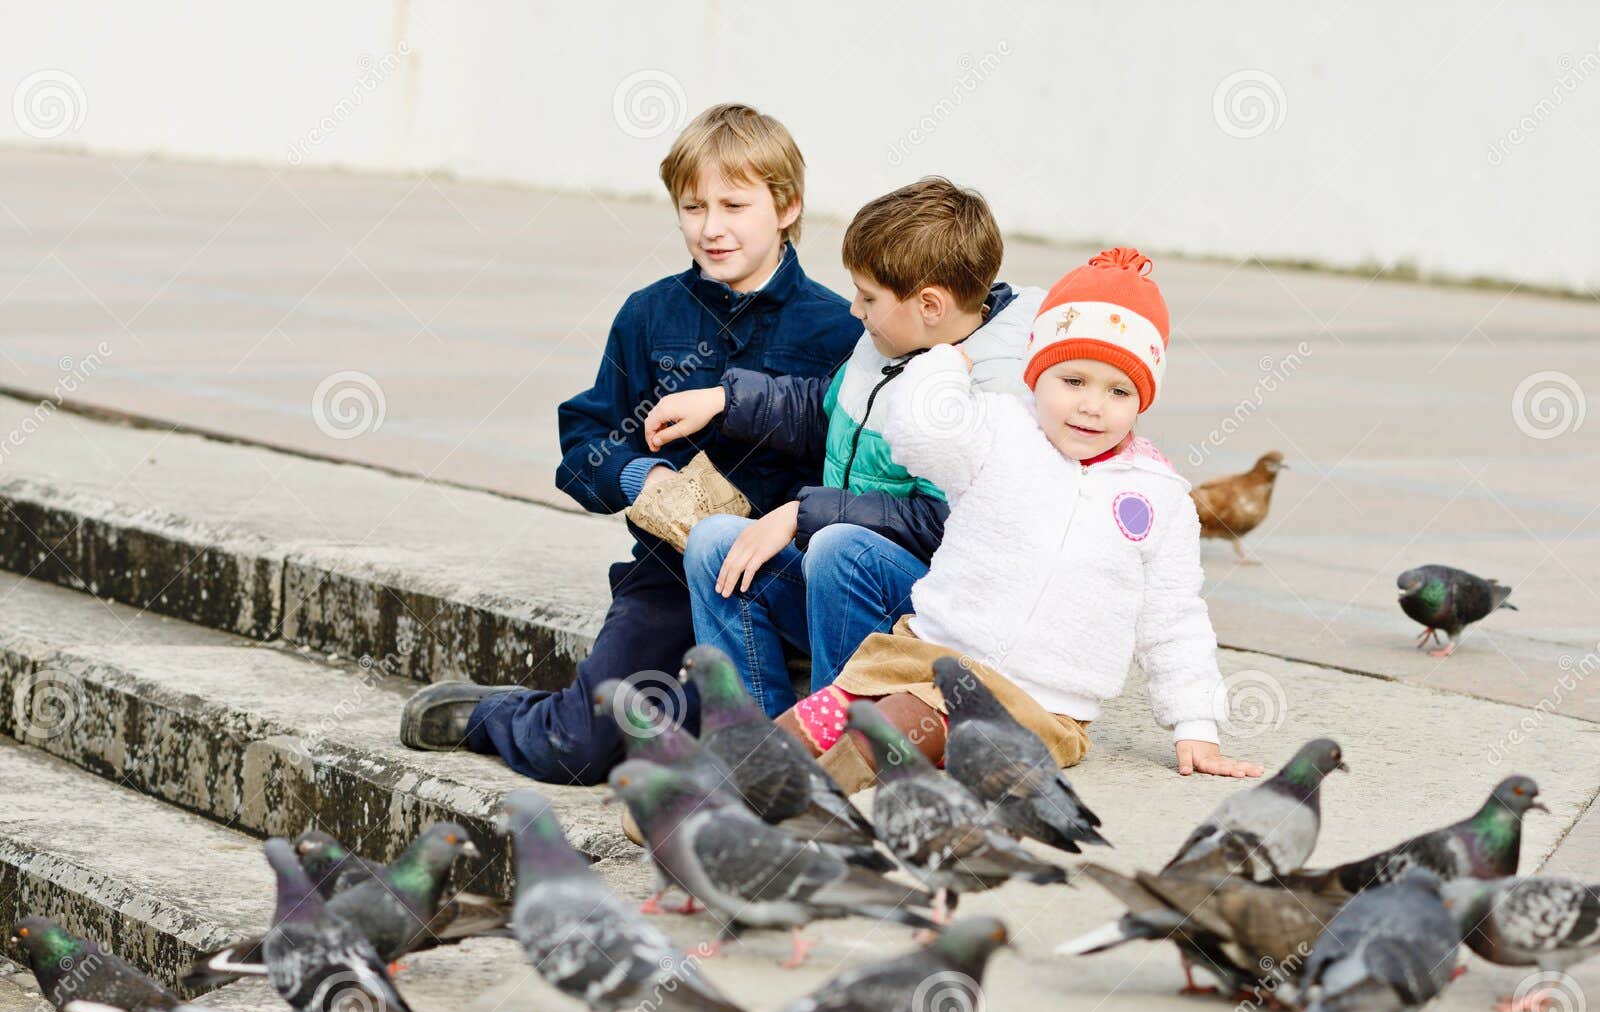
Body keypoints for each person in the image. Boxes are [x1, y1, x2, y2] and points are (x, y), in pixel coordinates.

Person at [399, 103, 859, 784]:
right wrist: (641, 477)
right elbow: (585, 441)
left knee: (730, 738)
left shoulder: (839, 327)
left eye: (735, 205)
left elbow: (856, 454)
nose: (711, 227)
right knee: (578, 749)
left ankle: (688, 711)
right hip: (668, 572)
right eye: (693, 207)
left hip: (781, 575)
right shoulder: (649, 314)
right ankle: (497, 712)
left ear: (787, 207)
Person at [772, 247, 1266, 788]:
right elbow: (918, 434)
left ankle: (801, 800)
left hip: (1037, 704)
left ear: (1141, 401)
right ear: (1036, 375)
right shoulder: (1001, 432)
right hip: (926, 656)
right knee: (823, 713)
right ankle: (734, 780)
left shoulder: (1159, 496)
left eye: (1118, 390)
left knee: (897, 722)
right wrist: (940, 366)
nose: (1092, 405)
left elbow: (1174, 616)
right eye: (1073, 381)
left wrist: (1195, 723)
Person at [644, 177, 1041, 715]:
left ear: (929, 304)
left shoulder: (993, 391)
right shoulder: (894, 338)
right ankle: (755, 741)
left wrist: (801, 513)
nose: (854, 309)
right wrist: (723, 399)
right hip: (840, 591)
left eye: (868, 297)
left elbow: (944, 522)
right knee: (715, 541)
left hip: (930, 621)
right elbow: (824, 410)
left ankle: (838, 740)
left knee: (837, 549)